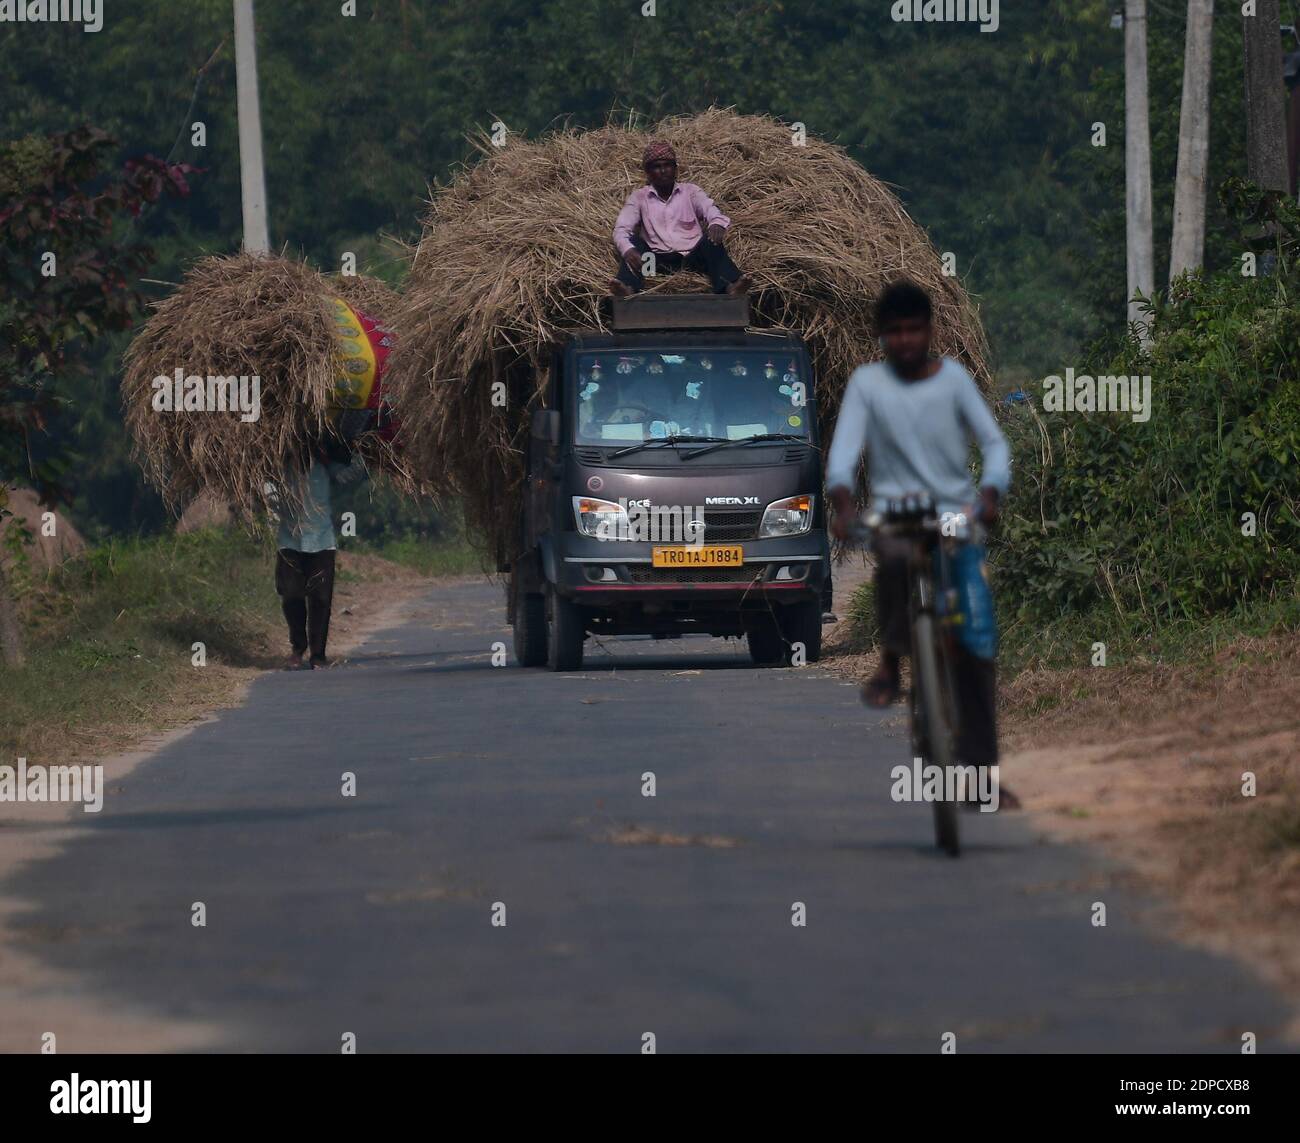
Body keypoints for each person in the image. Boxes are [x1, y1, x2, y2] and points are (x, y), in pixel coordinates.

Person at [825, 279, 1017, 808]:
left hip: (956, 516)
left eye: (914, 330)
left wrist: (990, 494)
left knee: (976, 642)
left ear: (929, 331)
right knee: (890, 555)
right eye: (895, 333)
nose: (905, 340)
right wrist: (844, 505)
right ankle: (891, 659)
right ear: (881, 338)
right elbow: (842, 458)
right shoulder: (867, 385)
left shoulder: (953, 380)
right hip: (893, 513)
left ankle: (980, 778)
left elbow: (995, 445)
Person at [273, 436, 368, 671]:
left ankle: (318, 654)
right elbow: (268, 490)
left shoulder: (326, 463)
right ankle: (298, 646)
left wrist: (363, 451)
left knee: (321, 599)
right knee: (291, 594)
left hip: (322, 539)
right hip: (289, 539)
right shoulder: (278, 465)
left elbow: (348, 476)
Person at [609, 141, 750, 298]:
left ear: (675, 169)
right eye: (656, 166)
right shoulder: (639, 197)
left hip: (691, 262)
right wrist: (628, 249)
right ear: (648, 172)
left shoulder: (690, 192)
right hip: (654, 265)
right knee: (634, 243)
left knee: (710, 242)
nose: (663, 171)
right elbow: (621, 230)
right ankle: (628, 288)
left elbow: (710, 210)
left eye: (667, 165)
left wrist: (716, 224)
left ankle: (731, 286)